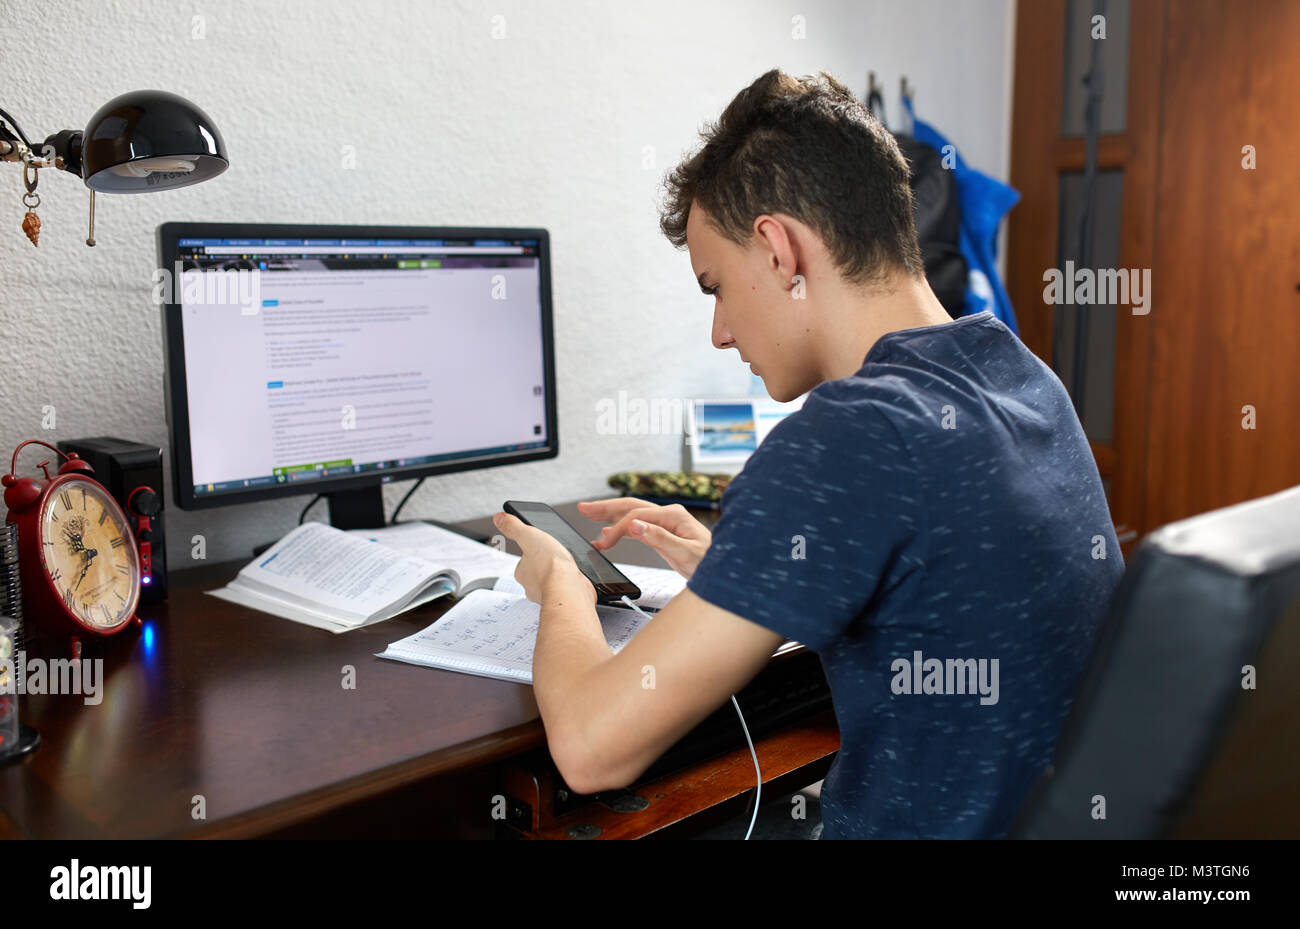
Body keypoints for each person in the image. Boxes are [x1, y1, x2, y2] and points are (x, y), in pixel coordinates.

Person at [492, 68, 1123, 839]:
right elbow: (947, 592)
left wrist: (562, 582)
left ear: (779, 250)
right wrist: (746, 566)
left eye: (715, 286)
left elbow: (591, 748)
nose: (720, 331)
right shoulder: (1022, 377)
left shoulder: (849, 435)